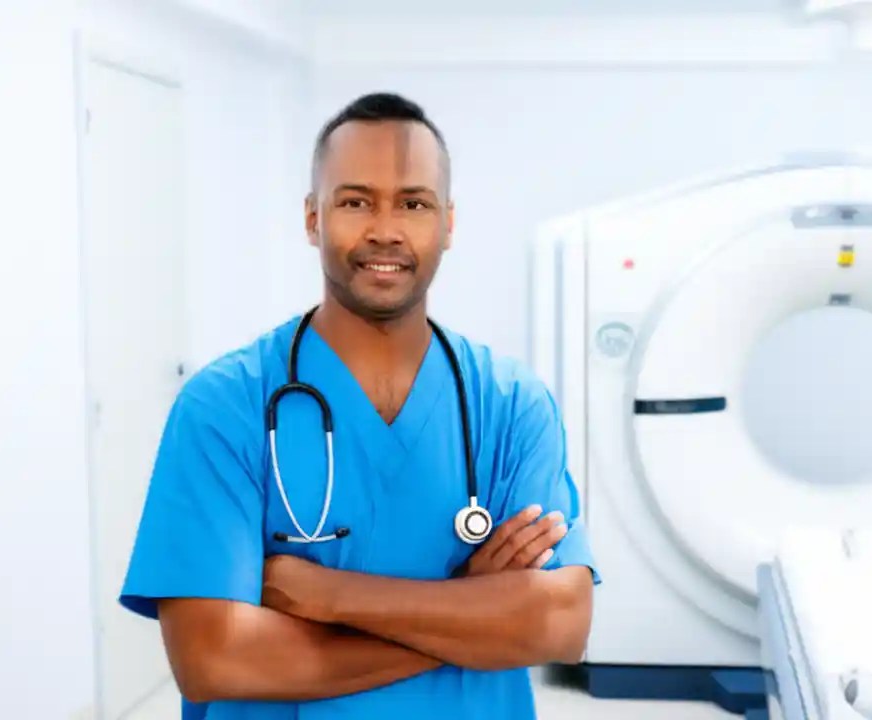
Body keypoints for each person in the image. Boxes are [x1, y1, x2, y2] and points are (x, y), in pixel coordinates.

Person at [118, 92, 600, 720]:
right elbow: (214, 659)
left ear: (448, 224)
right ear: (313, 218)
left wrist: (331, 595)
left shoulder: (510, 406)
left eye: (413, 203)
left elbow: (560, 623)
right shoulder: (224, 406)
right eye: (355, 201)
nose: (385, 229)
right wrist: (471, 609)